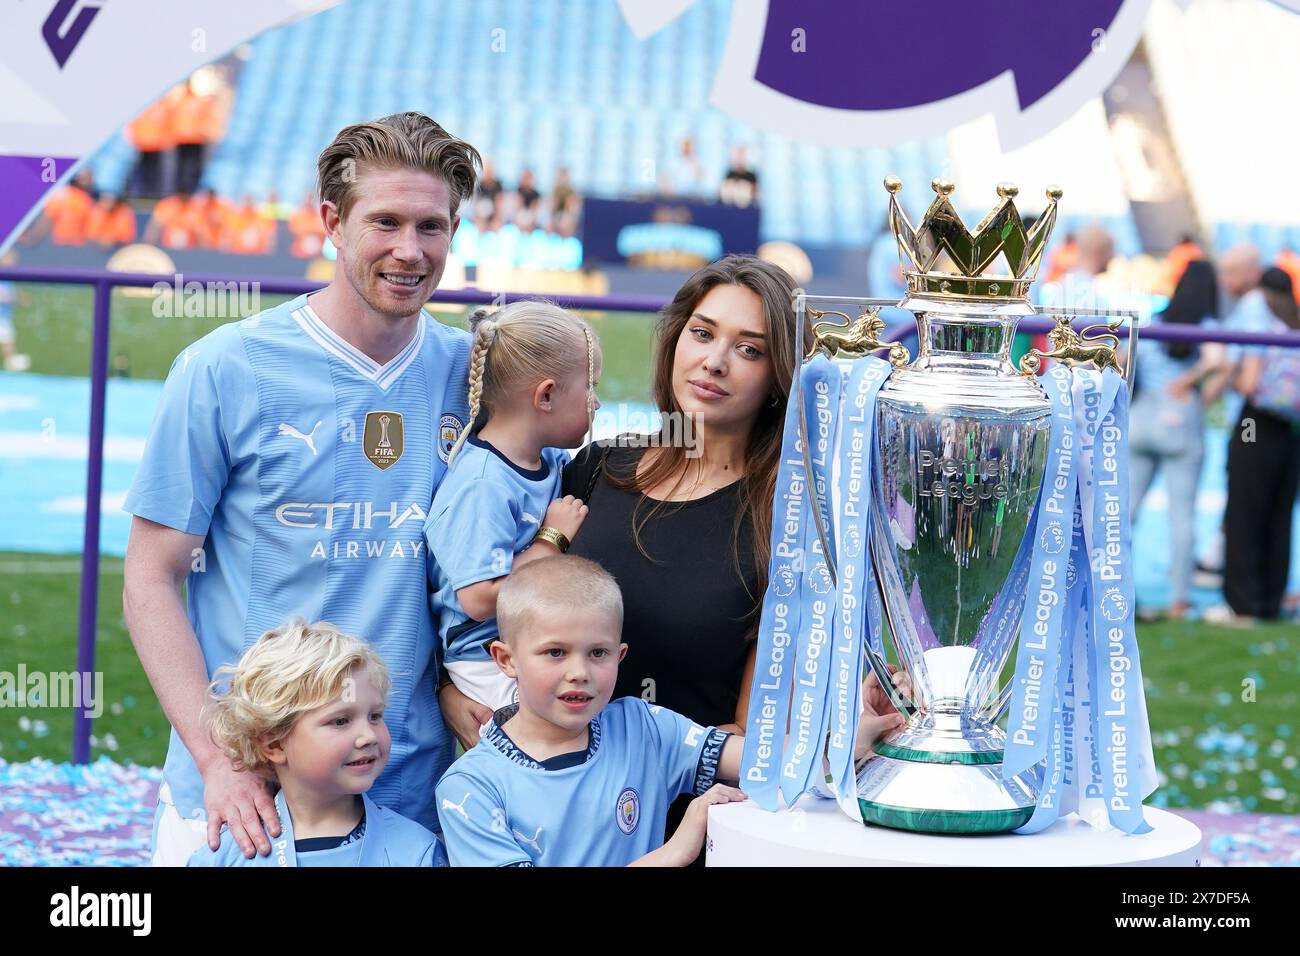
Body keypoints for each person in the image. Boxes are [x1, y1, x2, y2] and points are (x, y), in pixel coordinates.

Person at [438, 254, 907, 852]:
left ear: (779, 376)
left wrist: (624, 765)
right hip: (542, 829)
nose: (713, 360)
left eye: (750, 349)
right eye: (703, 333)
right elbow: (483, 593)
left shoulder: (786, 525)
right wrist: (451, 693)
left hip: (689, 827)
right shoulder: (595, 470)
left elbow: (753, 730)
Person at [123, 111, 481, 866]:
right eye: (385, 221)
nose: (410, 251)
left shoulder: (474, 376)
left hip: (406, 797)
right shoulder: (223, 368)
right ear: (332, 221)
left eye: (432, 226)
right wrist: (219, 763)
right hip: (244, 801)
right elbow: (150, 576)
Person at [435, 555, 903, 866]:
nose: (579, 672)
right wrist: (679, 847)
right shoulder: (470, 788)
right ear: (506, 659)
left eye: (596, 653)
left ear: (619, 657)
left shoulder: (642, 727)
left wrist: (847, 738)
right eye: (555, 653)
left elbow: (766, 760)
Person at [426, 301, 600, 712]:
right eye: (590, 387)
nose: (596, 404)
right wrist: (549, 541)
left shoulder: (550, 462)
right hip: (486, 662)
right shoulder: (482, 483)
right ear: (547, 395)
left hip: (526, 651)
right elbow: (479, 598)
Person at [188, 621, 444, 867]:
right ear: (275, 744)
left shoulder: (416, 852)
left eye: (375, 716)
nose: (368, 735)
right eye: (341, 721)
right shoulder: (223, 859)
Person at [1128, 260, 1219, 620]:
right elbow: (1219, 359)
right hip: (1180, 419)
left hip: (1143, 418)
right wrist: (1191, 386)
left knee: (1125, 513)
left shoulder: (1157, 320)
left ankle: (1116, 590)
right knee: (1182, 516)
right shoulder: (1208, 325)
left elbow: (1125, 358)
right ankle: (1180, 599)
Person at [1212, 265, 1300, 623]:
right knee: (1278, 516)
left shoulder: (1259, 318)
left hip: (1255, 423)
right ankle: (1270, 600)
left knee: (1244, 512)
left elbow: (1249, 382)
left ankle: (1242, 605)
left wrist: (1230, 378)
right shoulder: (1293, 324)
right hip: (1290, 431)